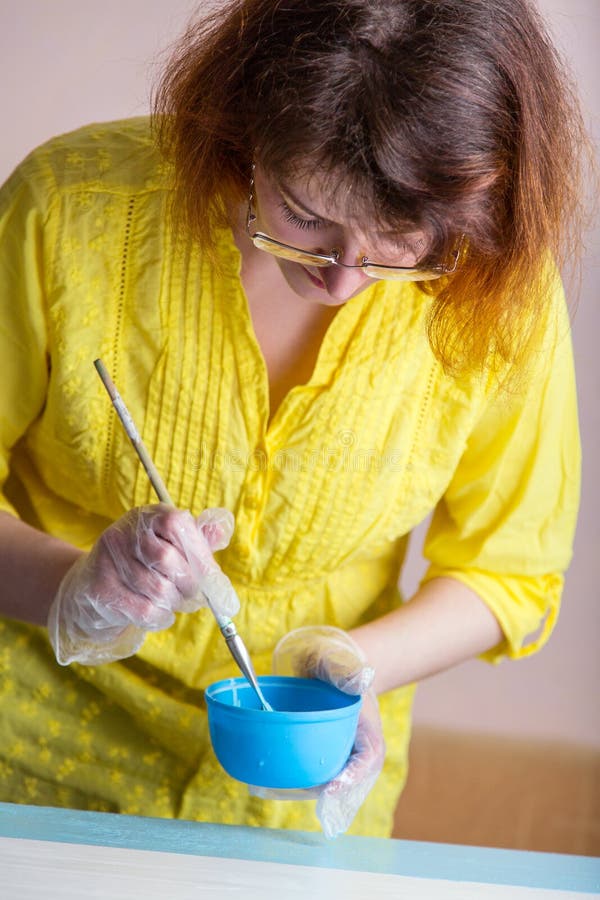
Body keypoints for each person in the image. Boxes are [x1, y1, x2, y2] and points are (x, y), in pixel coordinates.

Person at [0, 0, 589, 838]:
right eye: (305, 216)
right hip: (36, 756)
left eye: (397, 235)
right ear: (243, 135)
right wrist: (77, 587)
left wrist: (355, 669)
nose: (344, 277)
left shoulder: (494, 288)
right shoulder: (71, 213)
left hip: (302, 786)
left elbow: (512, 573)